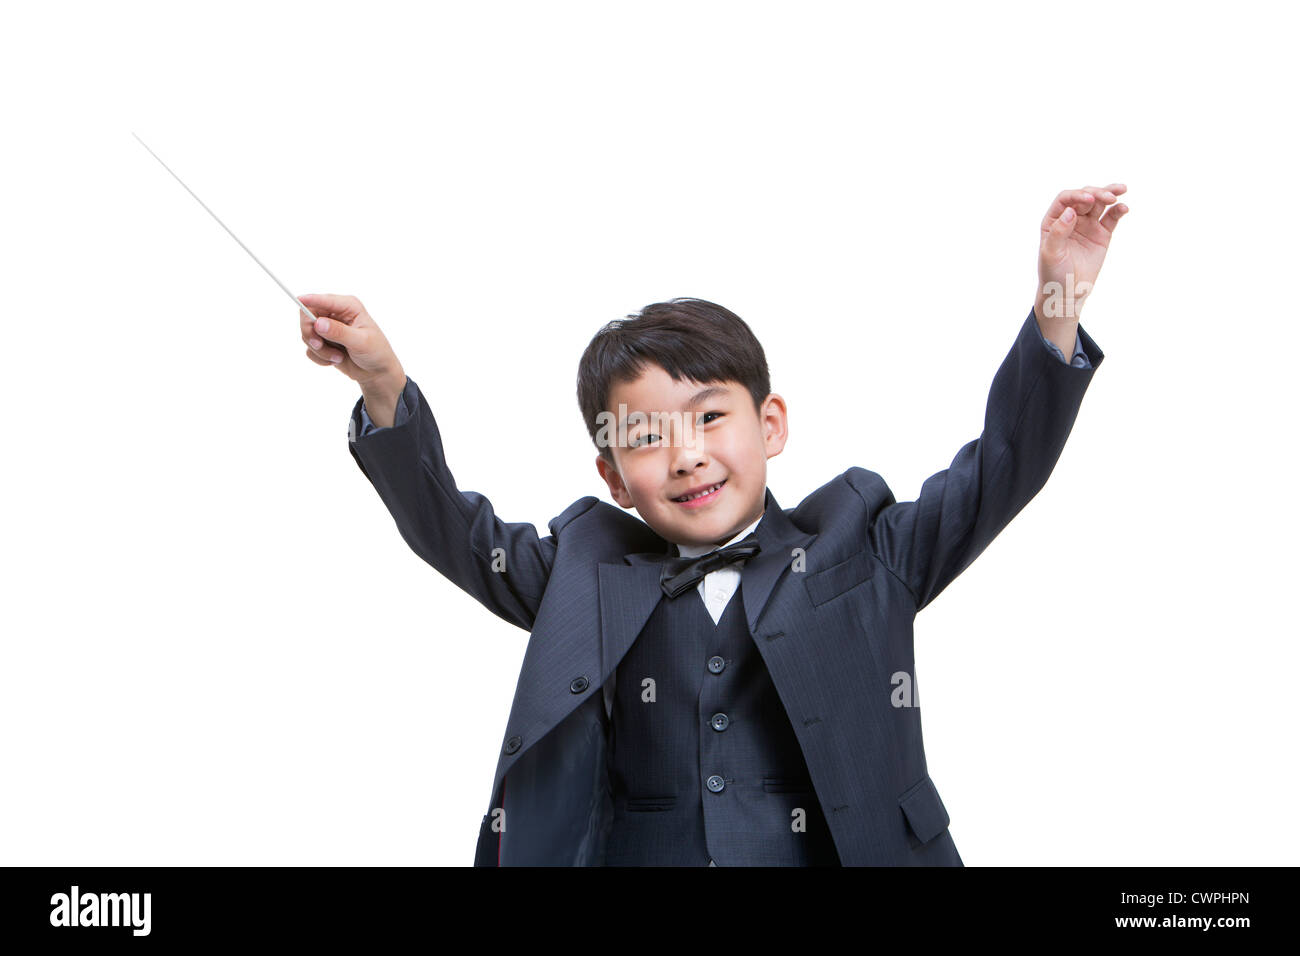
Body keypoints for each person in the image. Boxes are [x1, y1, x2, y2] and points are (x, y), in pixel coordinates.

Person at [297, 184, 1128, 865]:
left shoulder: (868, 547)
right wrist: (381, 387)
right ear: (614, 478)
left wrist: (1059, 299)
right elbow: (452, 528)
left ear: (770, 426)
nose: (686, 457)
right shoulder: (580, 570)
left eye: (709, 419)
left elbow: (1004, 464)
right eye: (647, 439)